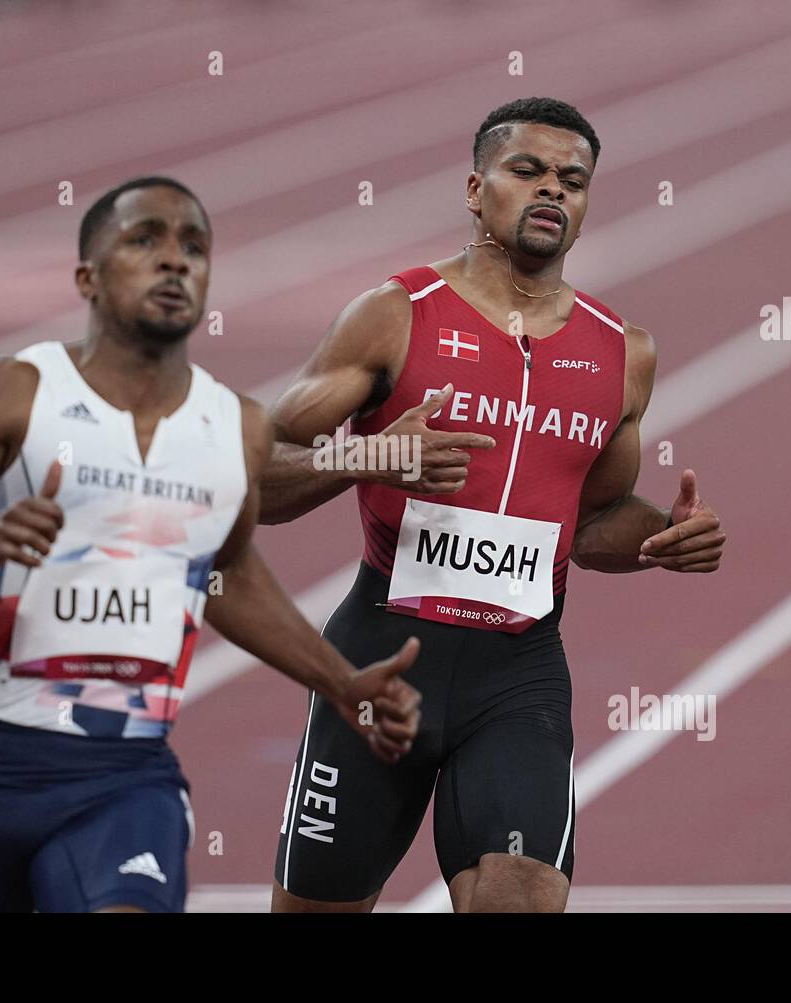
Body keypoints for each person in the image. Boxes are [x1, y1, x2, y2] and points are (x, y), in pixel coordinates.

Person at [0, 176, 421, 913]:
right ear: (88, 276)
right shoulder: (17, 392)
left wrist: (341, 683)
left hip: (123, 775)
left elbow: (229, 573)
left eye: (194, 247)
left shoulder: (234, 427)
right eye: (145, 239)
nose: (174, 261)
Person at [261, 97, 727, 913]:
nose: (553, 189)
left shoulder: (622, 353)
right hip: (382, 655)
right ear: (476, 190)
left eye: (573, 180)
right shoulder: (393, 317)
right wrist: (366, 454)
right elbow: (258, 478)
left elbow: (594, 523)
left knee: (522, 897)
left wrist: (661, 536)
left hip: (519, 672)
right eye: (528, 170)